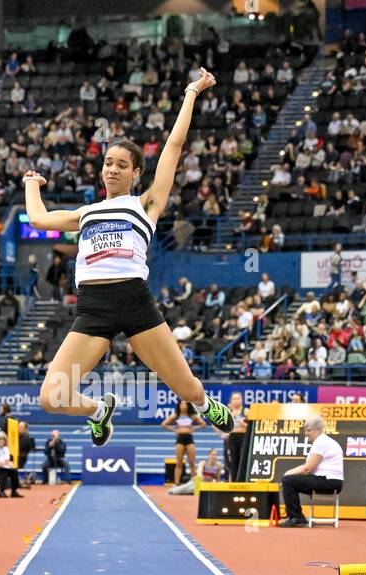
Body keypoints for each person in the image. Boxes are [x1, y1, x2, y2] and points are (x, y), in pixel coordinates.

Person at [24, 67, 235, 447]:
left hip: (135, 302)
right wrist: (31, 184)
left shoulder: (146, 204)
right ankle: (97, 411)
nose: (113, 170)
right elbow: (39, 218)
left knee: (186, 387)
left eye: (122, 165)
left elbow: (173, 148)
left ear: (136, 173)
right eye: (108, 163)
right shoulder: (86, 213)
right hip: (93, 309)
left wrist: (191, 92)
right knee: (50, 397)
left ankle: (205, 403)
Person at [278, 415, 344, 528]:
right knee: (289, 480)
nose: (306, 433)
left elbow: (307, 468)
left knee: (288, 481)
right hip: (330, 481)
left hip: (329, 482)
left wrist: (287, 473)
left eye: (308, 430)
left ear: (318, 430)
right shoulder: (323, 441)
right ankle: (296, 516)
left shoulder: (321, 442)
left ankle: (296, 517)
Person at [162, 400, 205, 484]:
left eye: (186, 404)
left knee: (192, 462)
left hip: (189, 438)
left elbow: (203, 424)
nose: (184, 406)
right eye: (182, 404)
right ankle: (177, 483)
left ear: (188, 405)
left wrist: (193, 429)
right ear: (179, 405)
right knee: (179, 462)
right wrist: (175, 430)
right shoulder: (176, 415)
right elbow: (164, 424)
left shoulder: (192, 415)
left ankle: (194, 483)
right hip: (180, 439)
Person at [223, 391, 249, 481]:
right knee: (233, 461)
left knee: (243, 460)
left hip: (243, 437)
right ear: (231, 400)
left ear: (242, 400)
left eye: (238, 398)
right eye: (234, 399)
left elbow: (252, 426)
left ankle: (243, 481)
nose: (236, 400)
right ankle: (234, 481)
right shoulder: (229, 412)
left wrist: (244, 424)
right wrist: (223, 433)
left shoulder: (246, 411)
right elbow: (219, 425)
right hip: (232, 438)